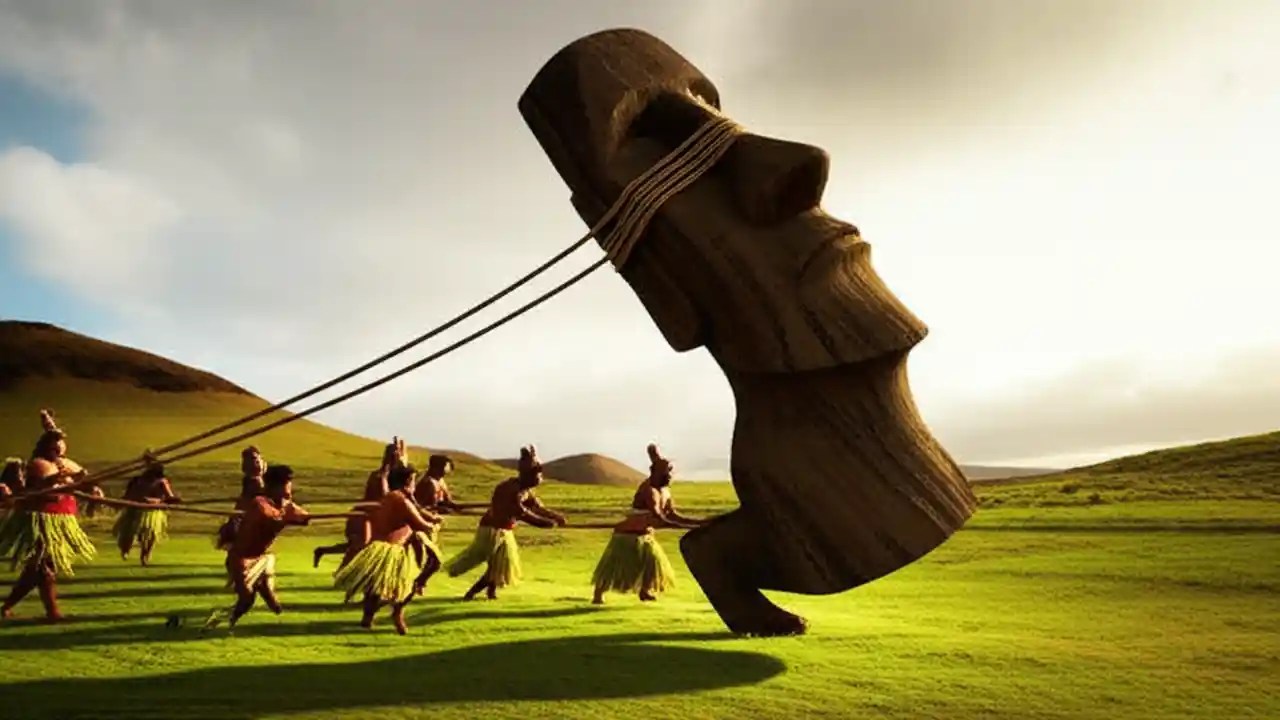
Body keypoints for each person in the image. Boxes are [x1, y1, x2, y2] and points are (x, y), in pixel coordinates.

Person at [0, 410, 96, 622]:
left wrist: (90, 488)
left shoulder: (67, 464)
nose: (59, 449)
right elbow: (39, 490)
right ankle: (52, 612)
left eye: (60, 445)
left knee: (38, 569)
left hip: (61, 520)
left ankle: (7, 606)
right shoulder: (38, 465)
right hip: (41, 520)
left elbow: (82, 482)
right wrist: (58, 481)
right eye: (55, 445)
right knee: (43, 568)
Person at [444, 445, 566, 600]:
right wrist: (545, 523)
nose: (539, 480)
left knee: (500, 564)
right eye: (536, 475)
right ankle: (471, 594)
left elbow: (537, 508)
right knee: (497, 565)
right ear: (527, 475)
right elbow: (523, 514)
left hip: (505, 530)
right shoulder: (509, 489)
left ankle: (490, 592)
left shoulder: (525, 490)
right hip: (492, 530)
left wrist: (556, 517)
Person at [333, 464, 443, 634]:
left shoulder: (389, 498)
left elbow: (417, 511)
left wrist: (431, 516)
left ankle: (367, 619)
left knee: (374, 589)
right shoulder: (402, 501)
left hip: (377, 549)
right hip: (392, 550)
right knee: (407, 586)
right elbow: (420, 525)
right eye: (414, 481)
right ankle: (397, 613)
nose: (415, 485)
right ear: (408, 481)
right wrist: (435, 525)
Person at [591, 444, 706, 604]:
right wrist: (686, 526)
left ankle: (645, 592)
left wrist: (699, 523)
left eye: (670, 471)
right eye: (665, 471)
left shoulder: (665, 491)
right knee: (614, 567)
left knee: (652, 562)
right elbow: (659, 517)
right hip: (627, 535)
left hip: (646, 534)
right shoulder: (648, 490)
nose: (669, 474)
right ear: (654, 472)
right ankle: (598, 594)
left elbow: (672, 514)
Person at [222, 464, 310, 629]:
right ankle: (227, 619)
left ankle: (264, 589)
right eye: (285, 485)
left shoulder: (285, 504)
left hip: (261, 557)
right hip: (241, 558)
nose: (289, 489)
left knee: (273, 601)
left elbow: (304, 518)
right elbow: (271, 518)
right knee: (247, 599)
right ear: (273, 486)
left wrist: (296, 514)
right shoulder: (259, 503)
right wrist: (287, 514)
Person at [312, 437, 407, 569]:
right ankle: (343, 572)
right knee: (361, 543)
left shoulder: (389, 476)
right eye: (395, 455)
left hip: (372, 515)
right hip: (364, 515)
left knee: (360, 544)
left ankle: (323, 551)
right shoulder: (380, 476)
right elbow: (385, 497)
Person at [112, 457, 182, 566]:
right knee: (128, 531)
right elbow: (128, 495)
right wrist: (120, 503)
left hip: (152, 511)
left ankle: (145, 556)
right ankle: (125, 549)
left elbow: (169, 498)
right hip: (135, 508)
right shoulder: (137, 480)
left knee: (149, 535)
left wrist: (158, 501)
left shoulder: (162, 482)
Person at [215, 446, 266, 551]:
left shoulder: (258, 480)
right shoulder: (254, 482)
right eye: (252, 460)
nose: (256, 463)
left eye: (258, 460)